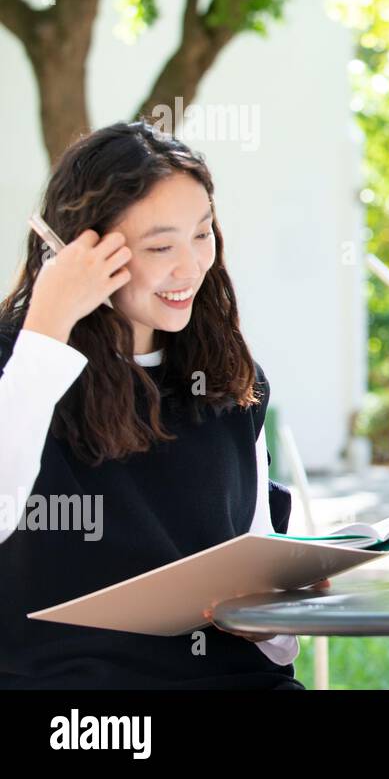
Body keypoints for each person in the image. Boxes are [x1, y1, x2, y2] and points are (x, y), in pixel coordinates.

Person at [0, 121, 309, 688]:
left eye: (202, 233)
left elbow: (276, 647)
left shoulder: (229, 380)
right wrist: (47, 326)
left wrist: (277, 611)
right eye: (161, 246)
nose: (191, 267)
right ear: (81, 251)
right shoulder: (20, 365)